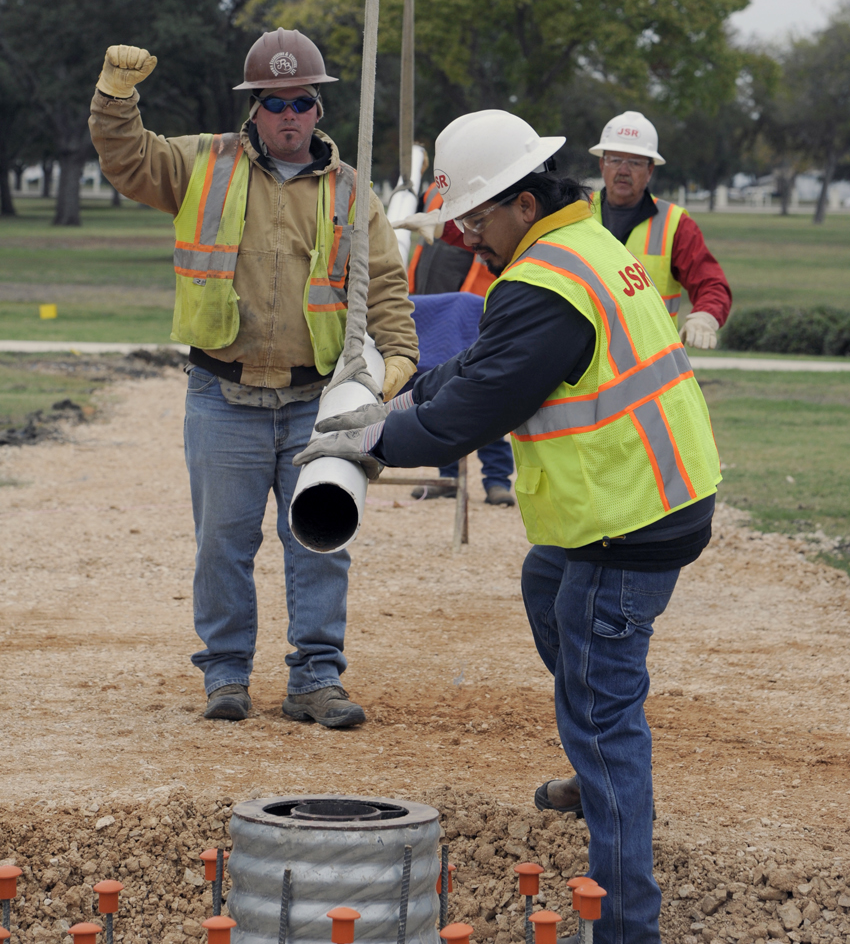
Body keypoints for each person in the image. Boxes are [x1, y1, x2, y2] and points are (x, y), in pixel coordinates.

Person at [297, 109, 721, 944]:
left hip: (632, 521)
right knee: (545, 583)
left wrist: (373, 439)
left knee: (605, 708)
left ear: (524, 203)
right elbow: (484, 363)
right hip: (653, 498)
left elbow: (475, 414)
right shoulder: (579, 243)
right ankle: (596, 771)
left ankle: (626, 920)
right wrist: (404, 392)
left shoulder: (544, 283)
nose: (464, 235)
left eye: (476, 215)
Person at [88, 28, 417, 727]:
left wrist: (400, 356)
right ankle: (227, 676)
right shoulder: (202, 164)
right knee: (223, 545)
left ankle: (316, 680)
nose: (290, 116)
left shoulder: (352, 191)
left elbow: (386, 284)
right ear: (254, 109)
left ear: (319, 110)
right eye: (275, 102)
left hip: (317, 400)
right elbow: (127, 158)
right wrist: (116, 99)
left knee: (322, 543)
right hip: (222, 395)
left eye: (302, 102)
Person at [404, 182, 515, 507]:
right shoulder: (433, 190)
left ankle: (497, 480)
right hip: (437, 310)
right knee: (442, 397)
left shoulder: (493, 185)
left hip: (476, 310)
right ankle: (447, 476)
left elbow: (483, 236)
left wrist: (441, 226)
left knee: (487, 398)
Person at [589, 111, 731, 349]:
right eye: (615, 159)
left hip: (649, 367)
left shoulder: (675, 225)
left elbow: (712, 285)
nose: (623, 170)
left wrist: (704, 317)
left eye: (634, 162)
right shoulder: (574, 214)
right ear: (602, 164)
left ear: (650, 170)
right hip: (585, 367)